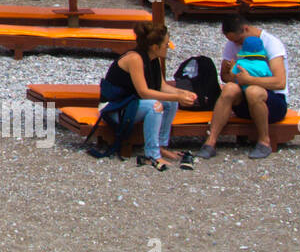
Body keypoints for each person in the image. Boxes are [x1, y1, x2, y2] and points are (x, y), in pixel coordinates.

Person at [101, 22, 198, 170]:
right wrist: (177, 97)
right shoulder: (135, 59)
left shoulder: (154, 58)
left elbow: (161, 86)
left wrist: (182, 93)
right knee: (155, 106)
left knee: (170, 103)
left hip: (131, 104)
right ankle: (152, 154)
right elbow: (144, 92)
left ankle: (161, 145)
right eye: (166, 44)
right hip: (115, 107)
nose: (168, 47)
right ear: (155, 46)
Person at [197, 15, 289, 160]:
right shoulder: (232, 44)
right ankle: (211, 141)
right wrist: (234, 75)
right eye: (232, 41)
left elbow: (279, 82)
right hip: (244, 102)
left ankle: (264, 142)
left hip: (273, 103)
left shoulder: (271, 44)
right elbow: (225, 77)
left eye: (238, 40)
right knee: (229, 89)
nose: (236, 44)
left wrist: (250, 79)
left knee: (254, 91)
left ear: (246, 29)